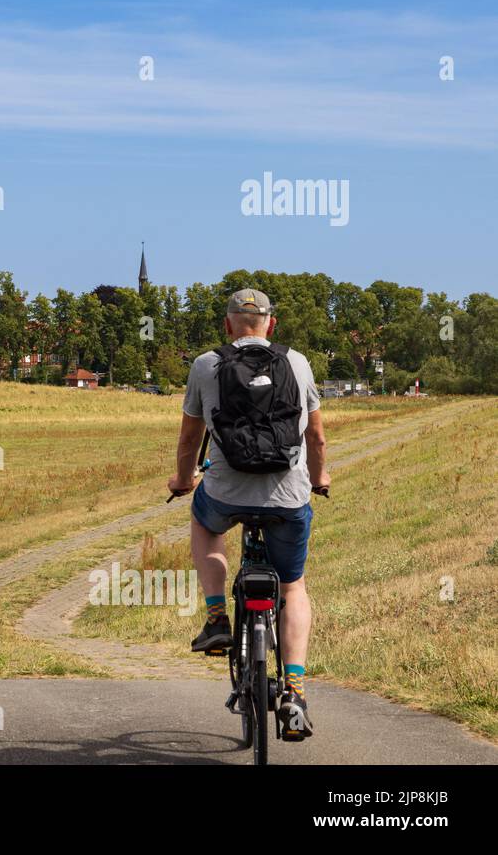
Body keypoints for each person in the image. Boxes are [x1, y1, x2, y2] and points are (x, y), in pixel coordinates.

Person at [167, 288, 329, 741]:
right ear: (271, 325)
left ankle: (218, 617)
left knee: (204, 522)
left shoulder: (205, 365)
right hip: (287, 497)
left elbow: (187, 441)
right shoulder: (296, 363)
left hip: (225, 492)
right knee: (293, 585)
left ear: (228, 325)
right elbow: (315, 439)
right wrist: (320, 479)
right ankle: (294, 690)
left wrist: (183, 481)